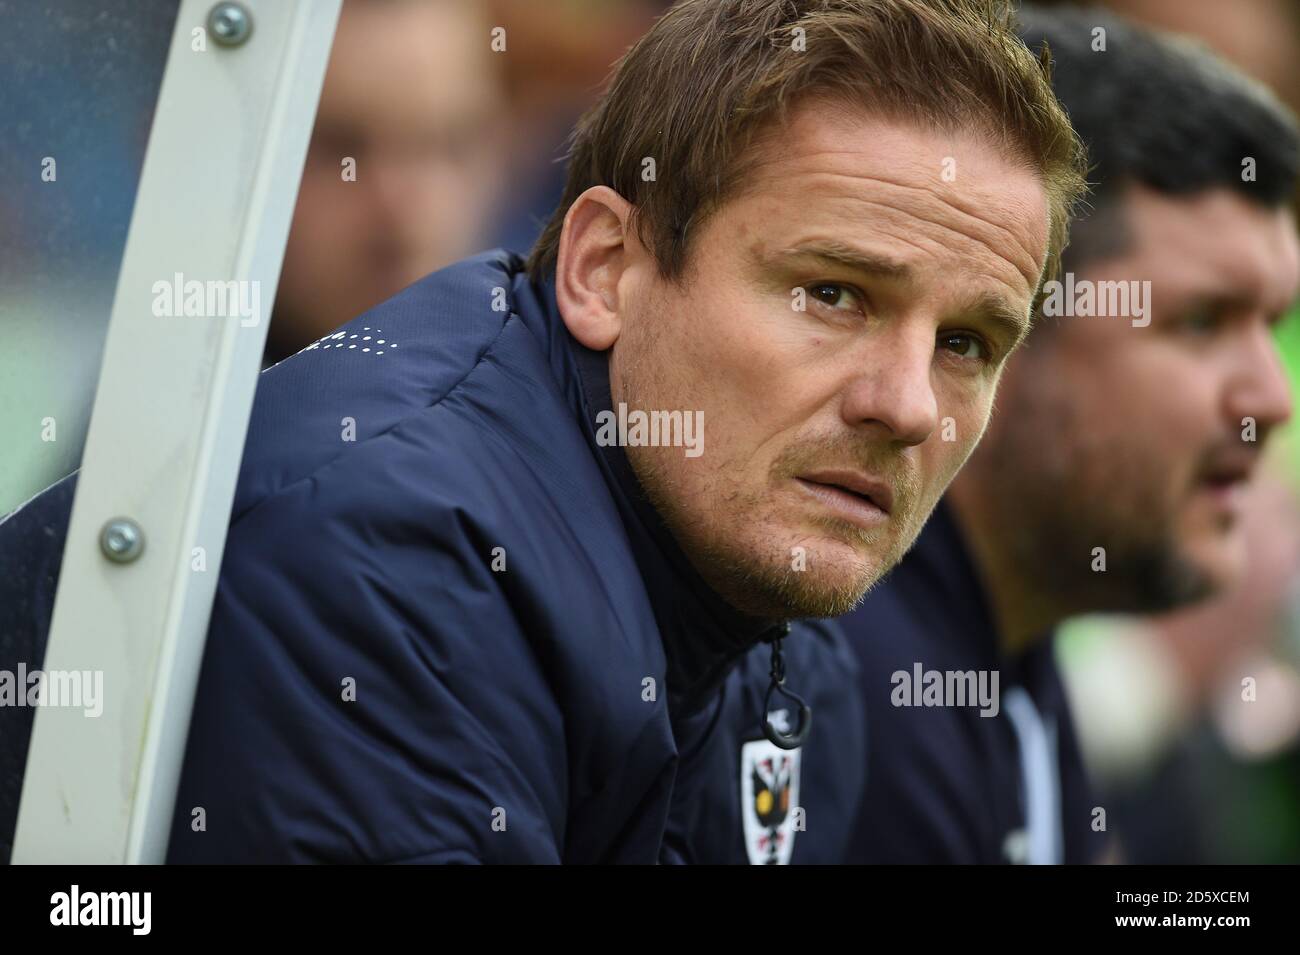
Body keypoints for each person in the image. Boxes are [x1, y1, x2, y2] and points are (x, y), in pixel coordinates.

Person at [0, 0, 1085, 864]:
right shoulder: (383, 561)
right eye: (834, 294)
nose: (906, 405)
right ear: (604, 267)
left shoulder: (794, 647)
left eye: (968, 344)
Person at [839, 5, 1300, 864]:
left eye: (1273, 325)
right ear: (997, 340)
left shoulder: (1012, 637)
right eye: (1202, 321)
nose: (1269, 398)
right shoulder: (856, 701)